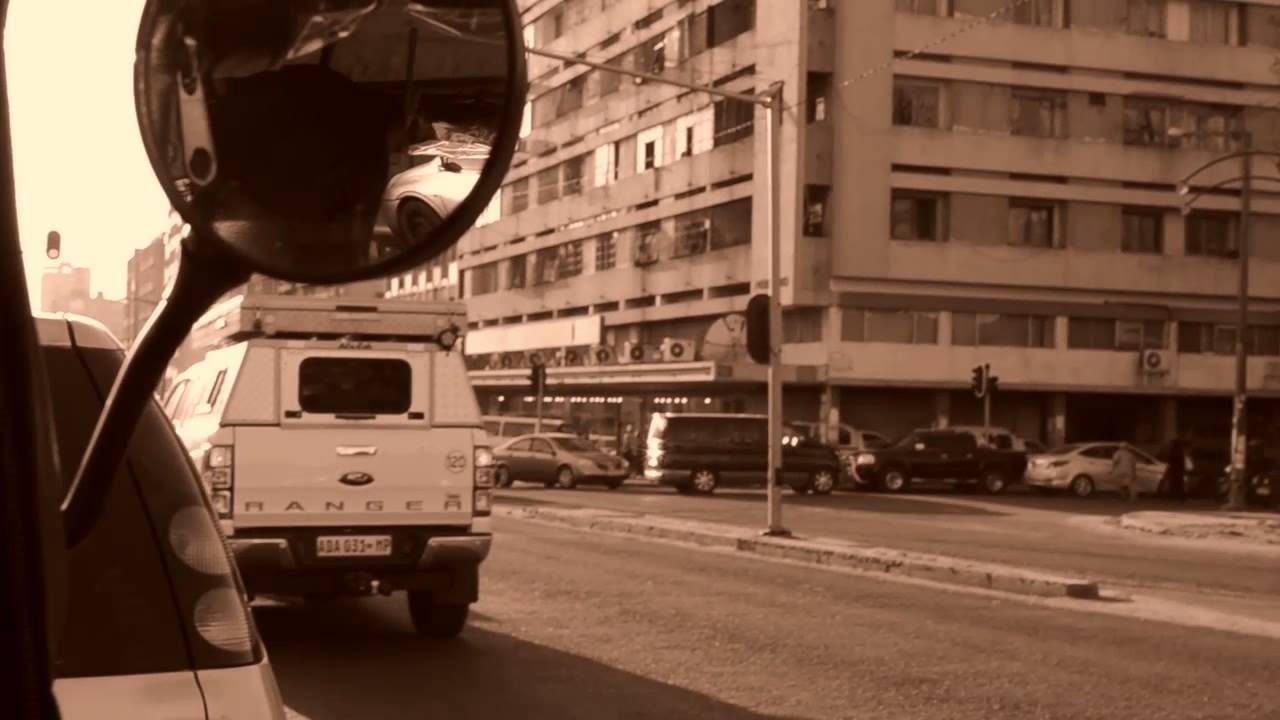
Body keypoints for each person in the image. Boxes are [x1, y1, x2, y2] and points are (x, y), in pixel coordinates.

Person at [1163, 436, 1187, 502]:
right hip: (1178, 470)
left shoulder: (1174, 451)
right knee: (1178, 484)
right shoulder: (1180, 450)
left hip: (1175, 469)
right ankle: (1180, 497)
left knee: (1175, 483)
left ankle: (1177, 497)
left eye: (1172, 443)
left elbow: (1169, 459)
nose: (1171, 444)